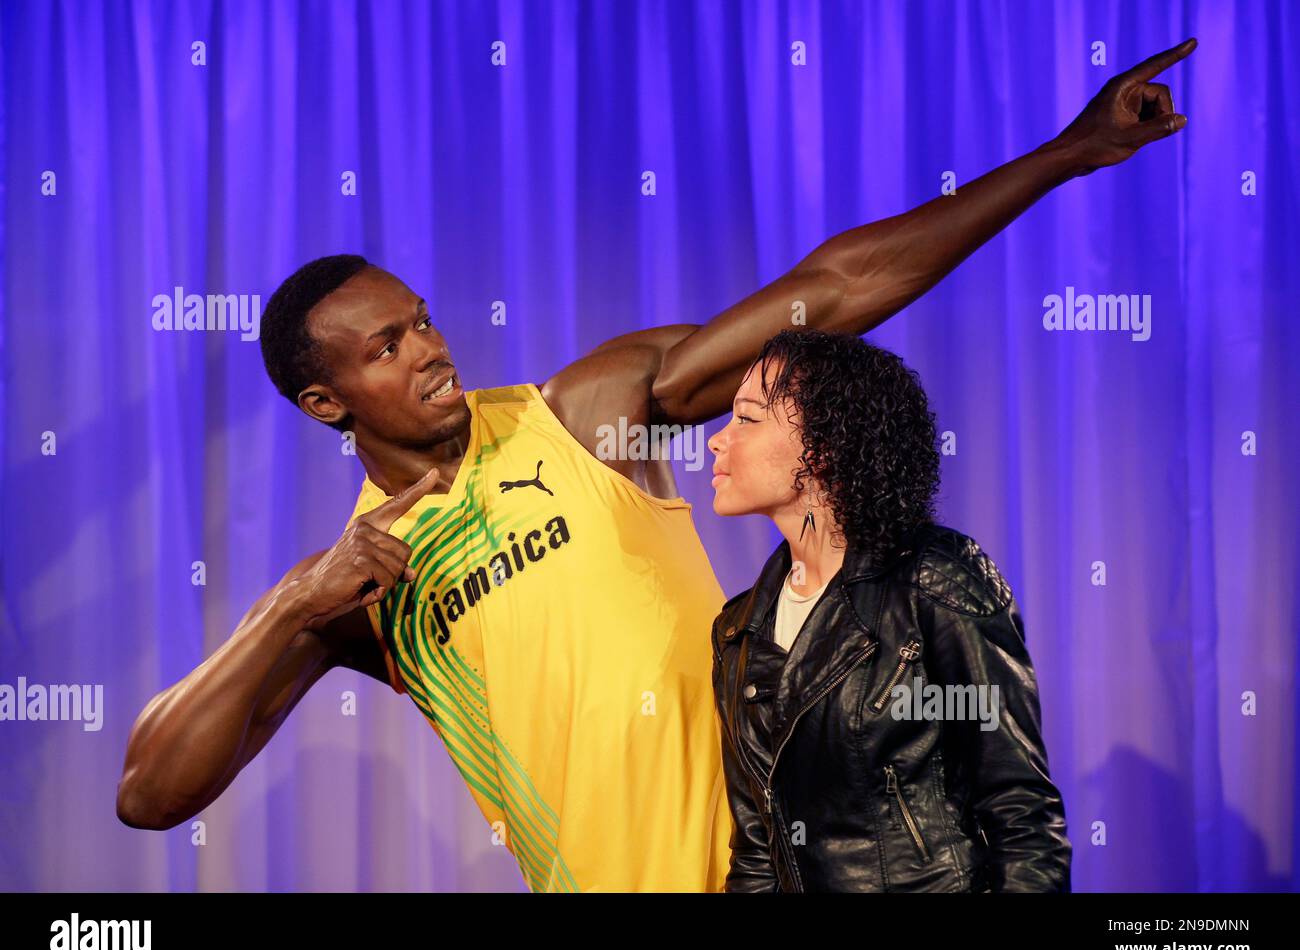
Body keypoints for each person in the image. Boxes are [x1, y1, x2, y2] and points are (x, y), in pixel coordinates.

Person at [115, 39, 1193, 891]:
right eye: (387, 348)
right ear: (324, 401)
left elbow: (832, 288)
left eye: (424, 321)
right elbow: (149, 794)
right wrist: (287, 610)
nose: (432, 348)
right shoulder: (365, 582)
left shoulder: (582, 414)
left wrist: (1068, 153)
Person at [707, 330, 1071, 891]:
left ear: (823, 445)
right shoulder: (738, 631)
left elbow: (1022, 818)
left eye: (748, 419)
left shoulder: (933, 581)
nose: (716, 440)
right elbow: (757, 851)